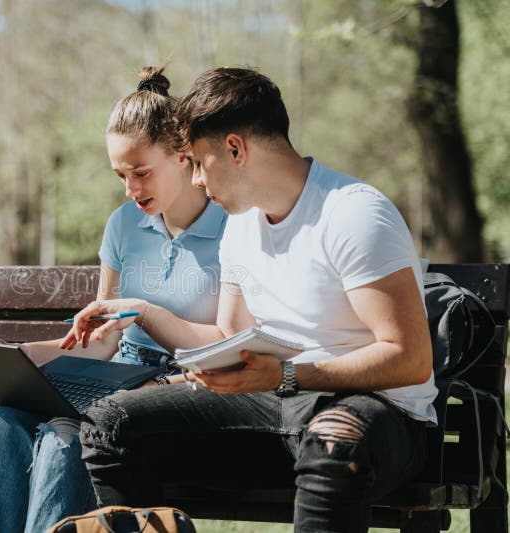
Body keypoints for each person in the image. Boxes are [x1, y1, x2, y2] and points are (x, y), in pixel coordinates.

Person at [65, 67, 437, 533]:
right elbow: (227, 336)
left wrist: (286, 375)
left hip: (376, 416)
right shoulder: (240, 226)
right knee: (108, 424)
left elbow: (411, 358)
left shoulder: (354, 214)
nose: (197, 180)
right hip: (275, 404)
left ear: (236, 149)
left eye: (199, 162)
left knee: (332, 439)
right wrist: (157, 330)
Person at [0, 66, 227, 533]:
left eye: (141, 173)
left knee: (64, 440)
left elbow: (229, 342)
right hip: (115, 373)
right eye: (120, 175)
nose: (130, 190)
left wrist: (151, 322)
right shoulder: (123, 225)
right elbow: (102, 341)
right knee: (2, 425)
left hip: (179, 387)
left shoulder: (233, 226)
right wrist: (25, 359)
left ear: (183, 155)